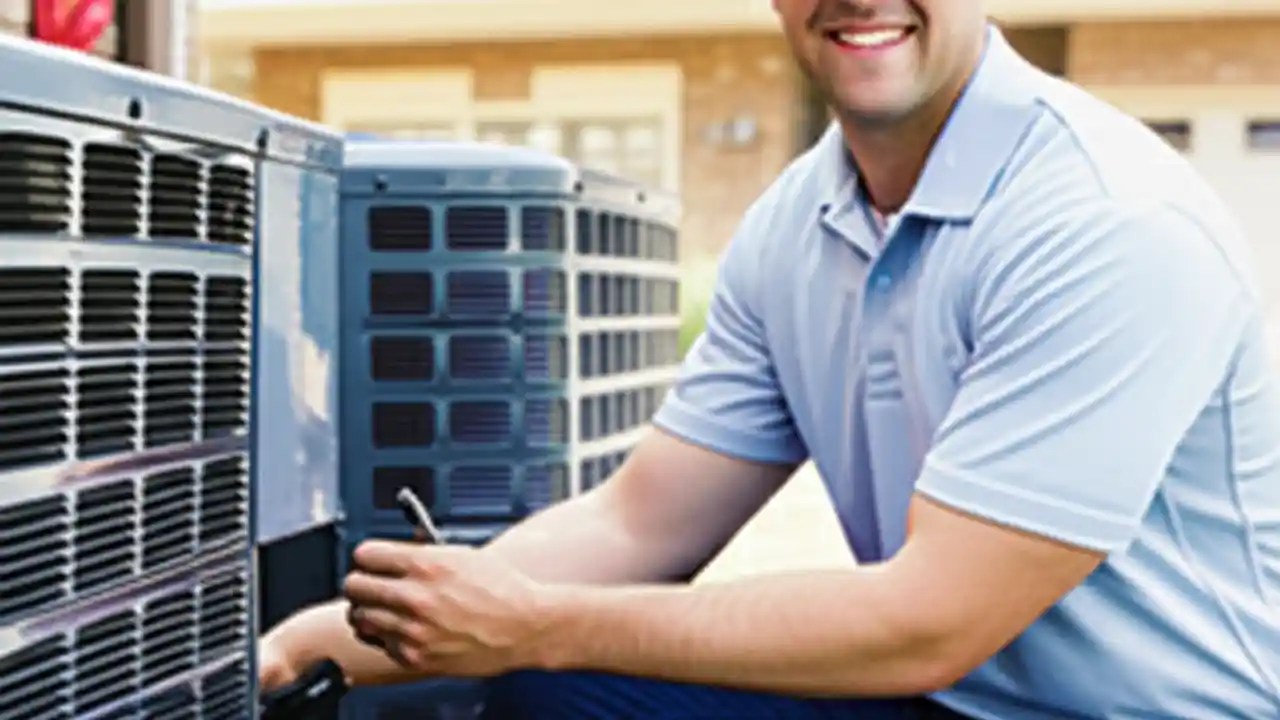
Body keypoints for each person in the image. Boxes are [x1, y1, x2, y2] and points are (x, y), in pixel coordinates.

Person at [259, 1, 1280, 718]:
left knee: (552, 661)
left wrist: (537, 624)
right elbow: (636, 521)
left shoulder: (1102, 220)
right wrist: (301, 647)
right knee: (559, 695)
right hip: (940, 703)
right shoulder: (799, 221)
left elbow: (931, 622)